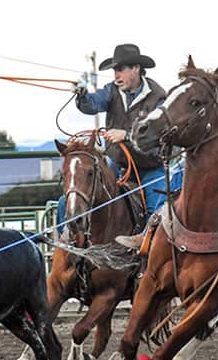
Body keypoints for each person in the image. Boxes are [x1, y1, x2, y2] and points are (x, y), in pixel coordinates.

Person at [58, 44, 179, 233]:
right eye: (115, 70)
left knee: (158, 210)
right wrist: (82, 97)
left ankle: (148, 248)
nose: (116, 75)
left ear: (136, 69)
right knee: (75, 196)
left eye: (120, 69)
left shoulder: (158, 97)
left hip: (150, 168)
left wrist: (127, 136)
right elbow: (93, 104)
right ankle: (68, 242)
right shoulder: (111, 90)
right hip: (115, 164)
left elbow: (158, 135)